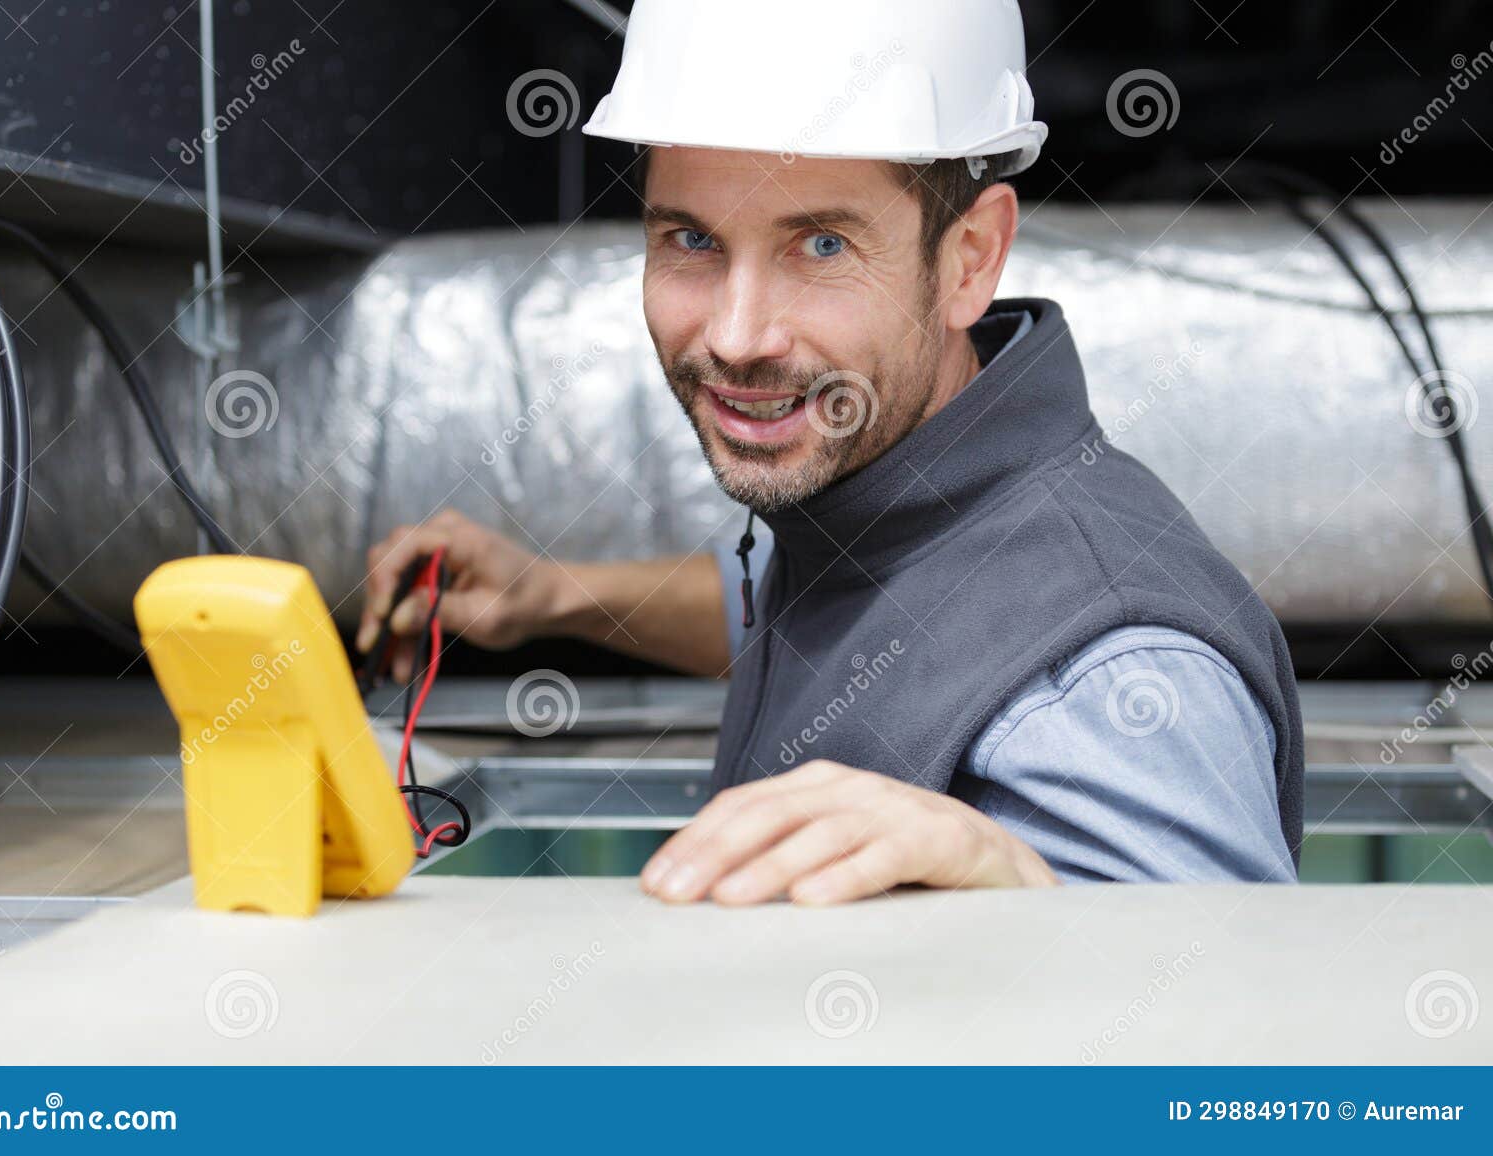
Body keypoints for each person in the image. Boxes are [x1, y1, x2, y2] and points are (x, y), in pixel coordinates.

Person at [358, 0, 1303, 903]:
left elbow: (1238, 1053)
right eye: (691, 239)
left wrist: (1025, 890)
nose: (734, 336)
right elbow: (816, 616)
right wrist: (555, 596)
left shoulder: (1106, 680)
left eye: (820, 246)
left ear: (970, 257)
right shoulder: (899, 490)